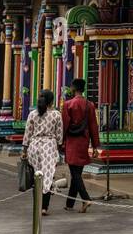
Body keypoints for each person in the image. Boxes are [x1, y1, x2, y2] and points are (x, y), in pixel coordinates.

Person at [62, 78, 100, 212]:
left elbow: (65, 125)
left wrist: (61, 142)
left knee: (75, 173)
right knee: (76, 173)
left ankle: (85, 199)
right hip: (84, 141)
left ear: (73, 88)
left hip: (72, 141)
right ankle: (69, 204)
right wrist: (95, 146)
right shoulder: (89, 105)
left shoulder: (67, 104)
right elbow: (93, 126)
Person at [22, 90, 63, 214]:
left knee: (36, 177)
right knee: (47, 177)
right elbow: (59, 135)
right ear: (51, 101)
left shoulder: (32, 114)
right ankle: (44, 207)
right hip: (49, 147)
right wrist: (58, 148)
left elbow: (27, 134)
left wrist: (24, 150)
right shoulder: (56, 115)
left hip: (34, 147)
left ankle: (37, 205)